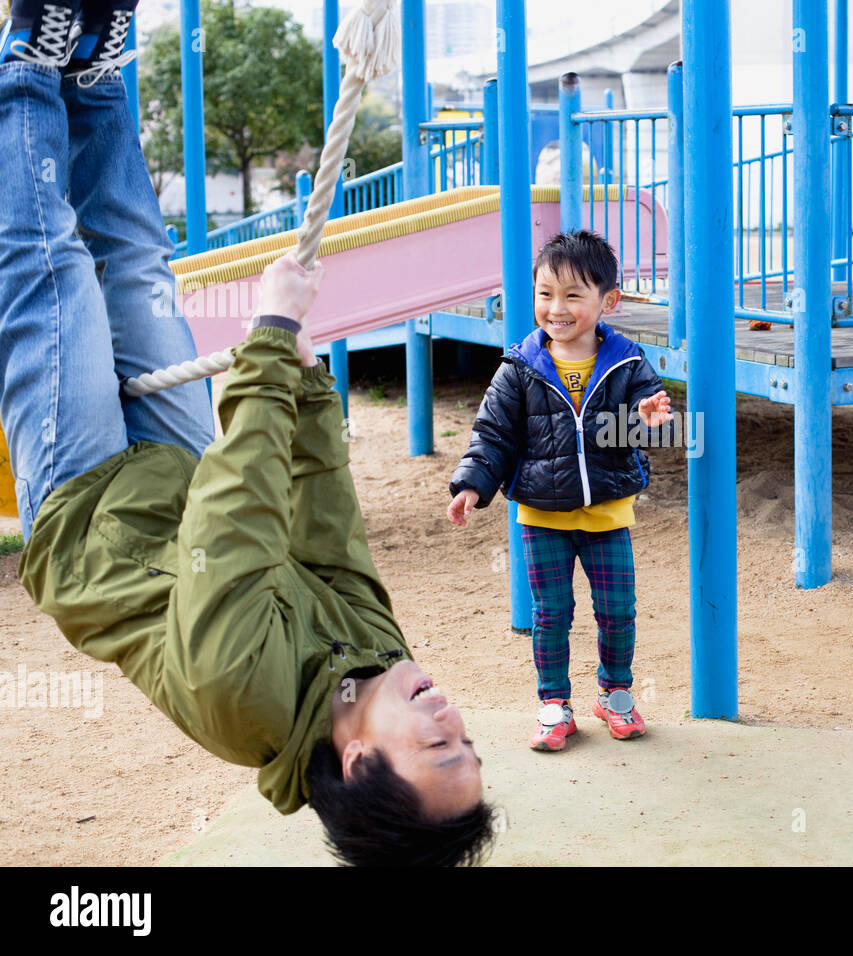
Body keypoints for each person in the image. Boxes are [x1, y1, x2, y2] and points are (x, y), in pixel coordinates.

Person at [0, 0, 492, 866]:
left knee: (56, 269)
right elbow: (327, 528)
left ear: (359, 760)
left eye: (438, 745)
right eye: (469, 742)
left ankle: (28, 70)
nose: (450, 716)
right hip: (180, 477)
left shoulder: (240, 700)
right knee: (141, 264)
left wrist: (269, 338)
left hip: (86, 523)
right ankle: (95, 77)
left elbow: (233, 533)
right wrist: (306, 389)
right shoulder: (378, 663)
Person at [447, 230, 673, 752]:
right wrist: (472, 485)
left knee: (618, 610)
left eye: (573, 295)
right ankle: (554, 704)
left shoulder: (627, 361)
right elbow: (493, 434)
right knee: (551, 614)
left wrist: (647, 418)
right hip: (542, 515)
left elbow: (647, 421)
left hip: (607, 513)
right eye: (546, 294)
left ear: (608, 301)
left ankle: (615, 693)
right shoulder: (519, 366)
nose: (557, 308)